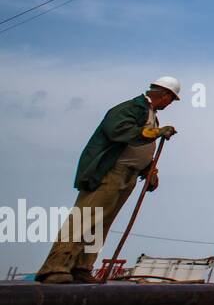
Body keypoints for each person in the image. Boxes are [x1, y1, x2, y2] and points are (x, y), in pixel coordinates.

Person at [37, 77, 181, 284]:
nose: (170, 104)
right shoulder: (129, 108)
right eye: (172, 99)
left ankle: (81, 267)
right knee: (84, 218)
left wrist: (150, 171)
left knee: (102, 224)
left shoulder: (151, 115)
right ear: (165, 95)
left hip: (129, 175)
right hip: (110, 173)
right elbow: (120, 132)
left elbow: (138, 148)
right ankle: (55, 267)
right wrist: (157, 133)